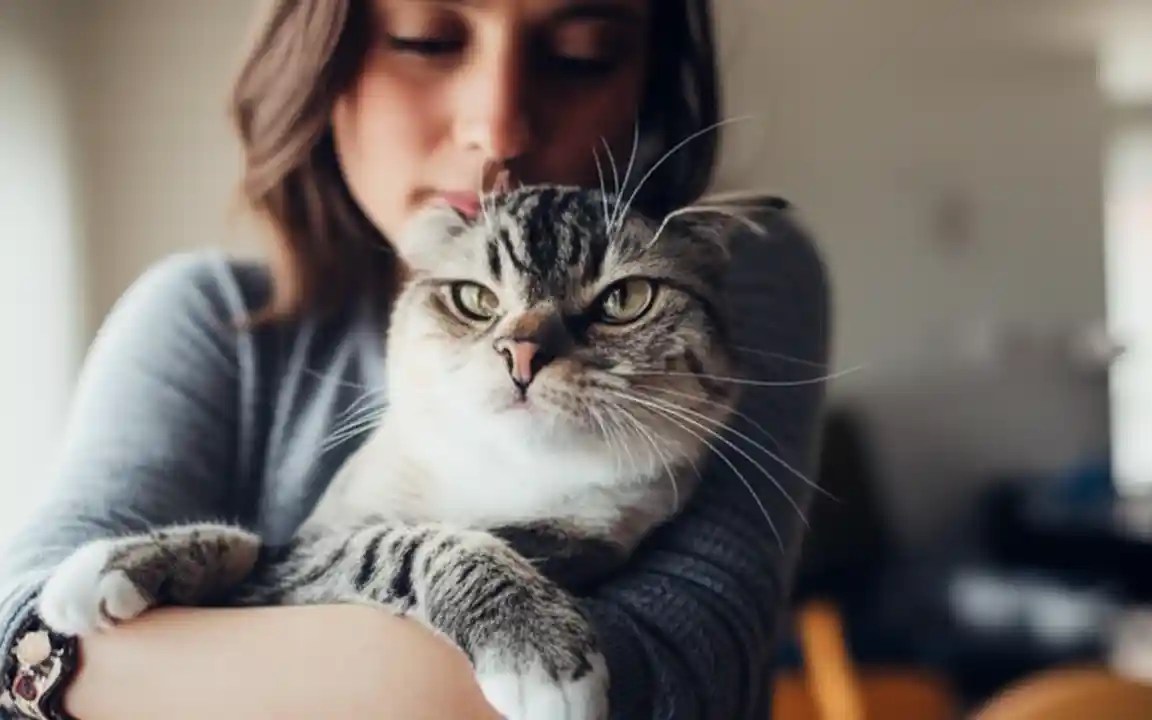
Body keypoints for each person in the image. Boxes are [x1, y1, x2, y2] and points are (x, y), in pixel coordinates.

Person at [0, 0, 830, 717]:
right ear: (318, 54)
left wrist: (151, 660)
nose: (498, 124)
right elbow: (21, 642)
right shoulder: (202, 315)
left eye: (580, 56)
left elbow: (667, 679)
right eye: (428, 40)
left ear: (648, 76)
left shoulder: (723, 260)